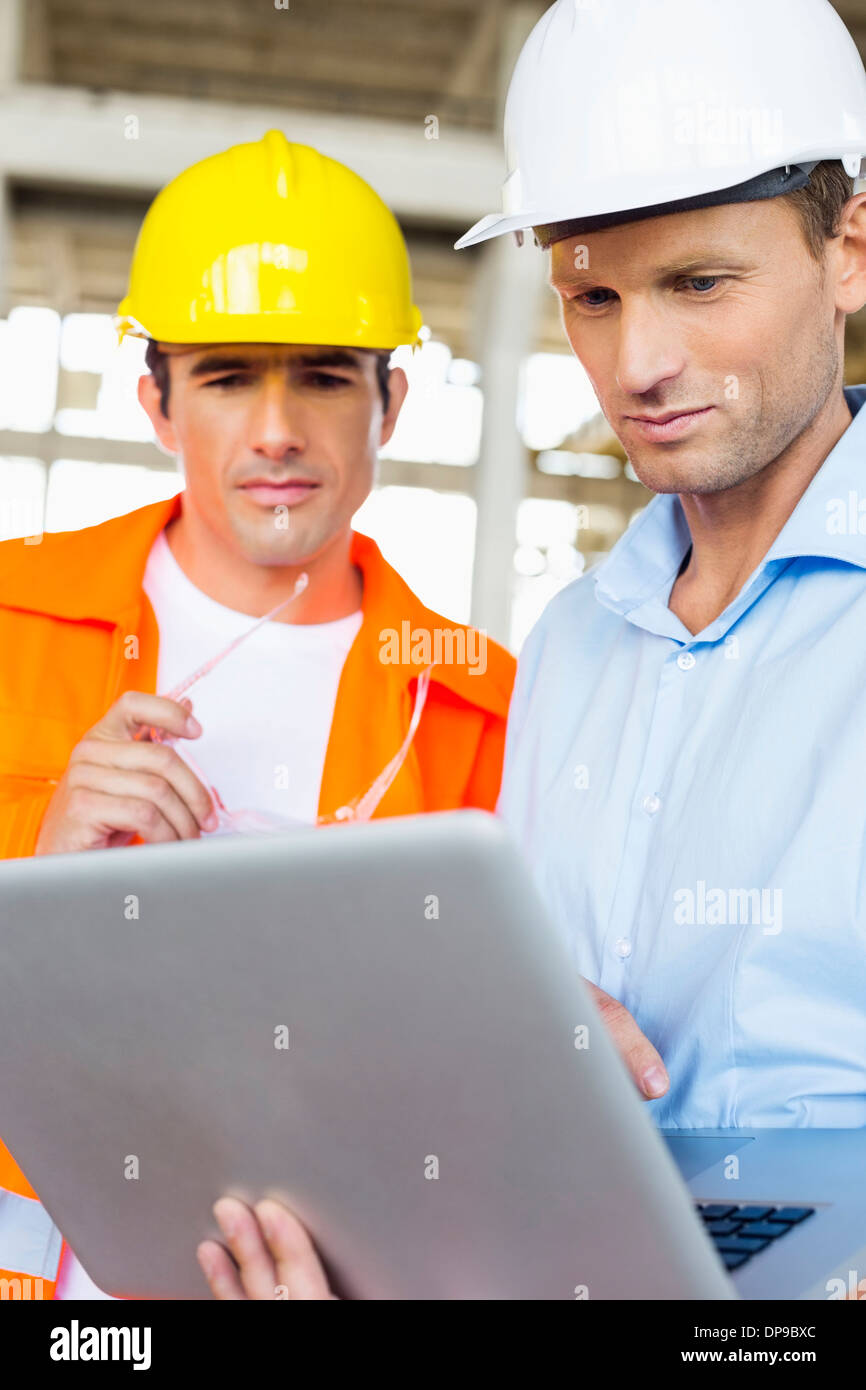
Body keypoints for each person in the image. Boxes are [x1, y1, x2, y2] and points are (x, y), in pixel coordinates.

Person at [194, 0, 866, 1298]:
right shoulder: (570, 646)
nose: (637, 362)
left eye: (696, 283)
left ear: (848, 248)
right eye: (590, 295)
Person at [0, 131, 514, 1299]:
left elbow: (494, 1100)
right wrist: (32, 860)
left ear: (388, 399)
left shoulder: (481, 711)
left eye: (323, 374)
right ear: (156, 402)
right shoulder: (6, 622)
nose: (276, 430)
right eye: (229, 376)